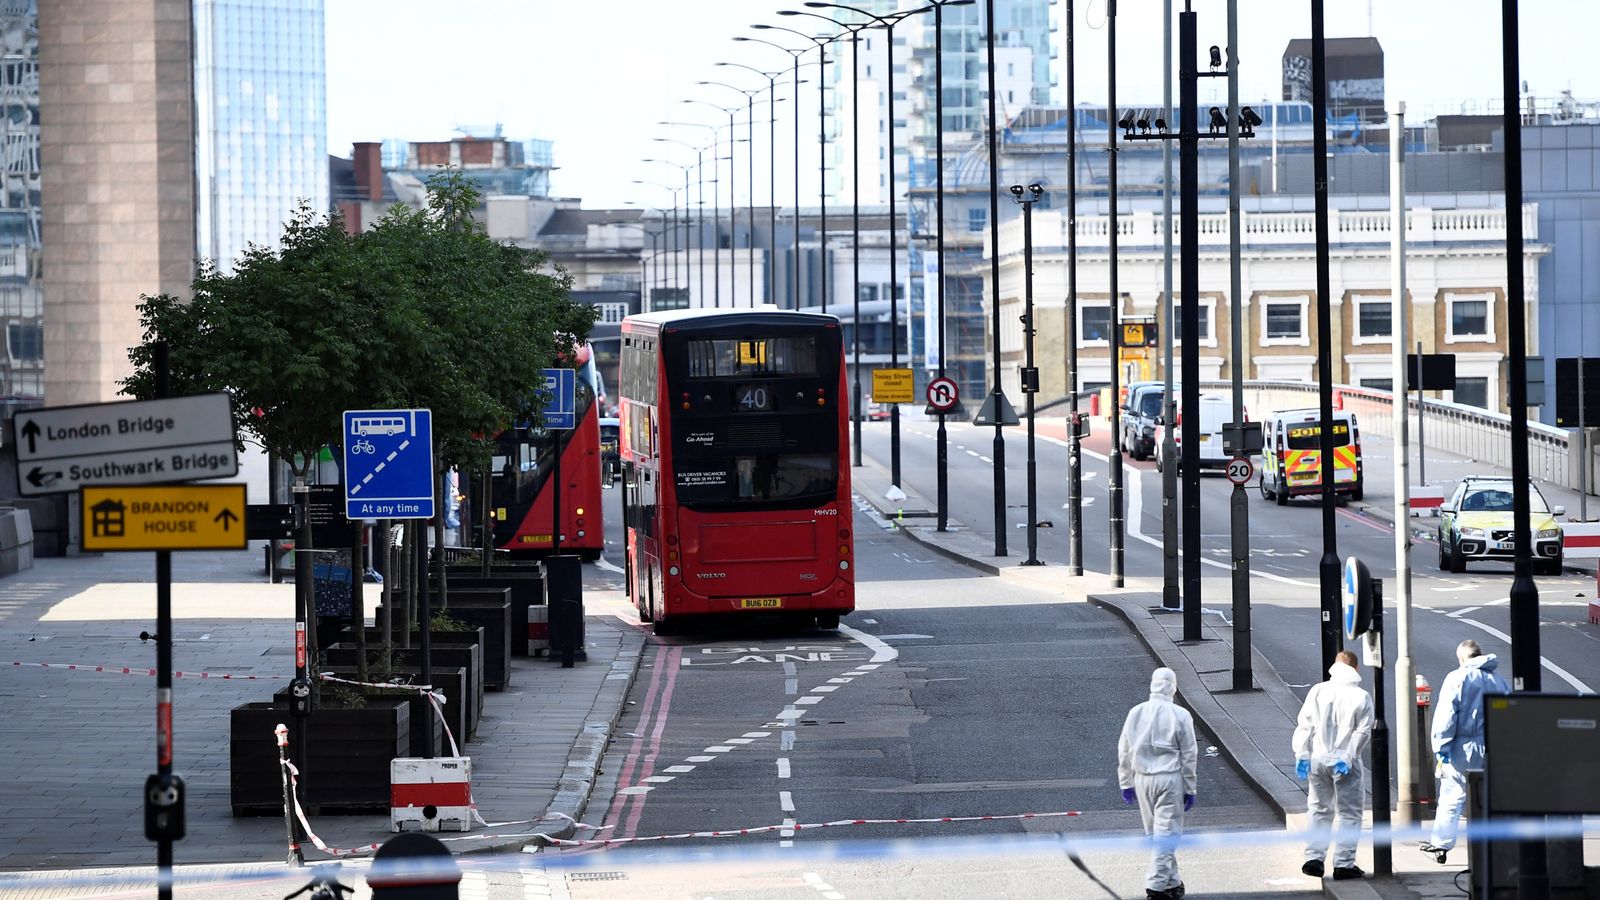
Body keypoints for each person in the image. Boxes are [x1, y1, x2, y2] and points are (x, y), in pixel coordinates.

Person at [1420, 639, 1508, 863]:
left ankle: (1441, 845)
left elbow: (1446, 717)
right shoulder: (1498, 680)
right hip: (1492, 746)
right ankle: (1492, 846)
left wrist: (1440, 748)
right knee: (1488, 797)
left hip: (1462, 747)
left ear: (1461, 657)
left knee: (1452, 796)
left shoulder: (1457, 678)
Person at [1292, 649, 1374, 881]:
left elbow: (1304, 725)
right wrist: (1348, 756)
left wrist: (1302, 754)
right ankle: (1344, 864)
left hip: (1318, 757)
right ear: (1356, 669)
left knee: (1318, 809)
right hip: (1344, 762)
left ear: (1335, 666)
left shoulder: (1318, 690)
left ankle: (1314, 859)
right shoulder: (1361, 696)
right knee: (1349, 813)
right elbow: (1362, 732)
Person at [1118, 667, 1199, 900]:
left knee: (1155, 834)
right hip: (1170, 779)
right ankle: (1156, 885)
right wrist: (1190, 786)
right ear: (1173, 686)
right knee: (1167, 833)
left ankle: (1172, 882)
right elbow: (1189, 754)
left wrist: (1125, 781)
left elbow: (1124, 749)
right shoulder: (1181, 714)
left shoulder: (1136, 712)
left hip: (1142, 778)